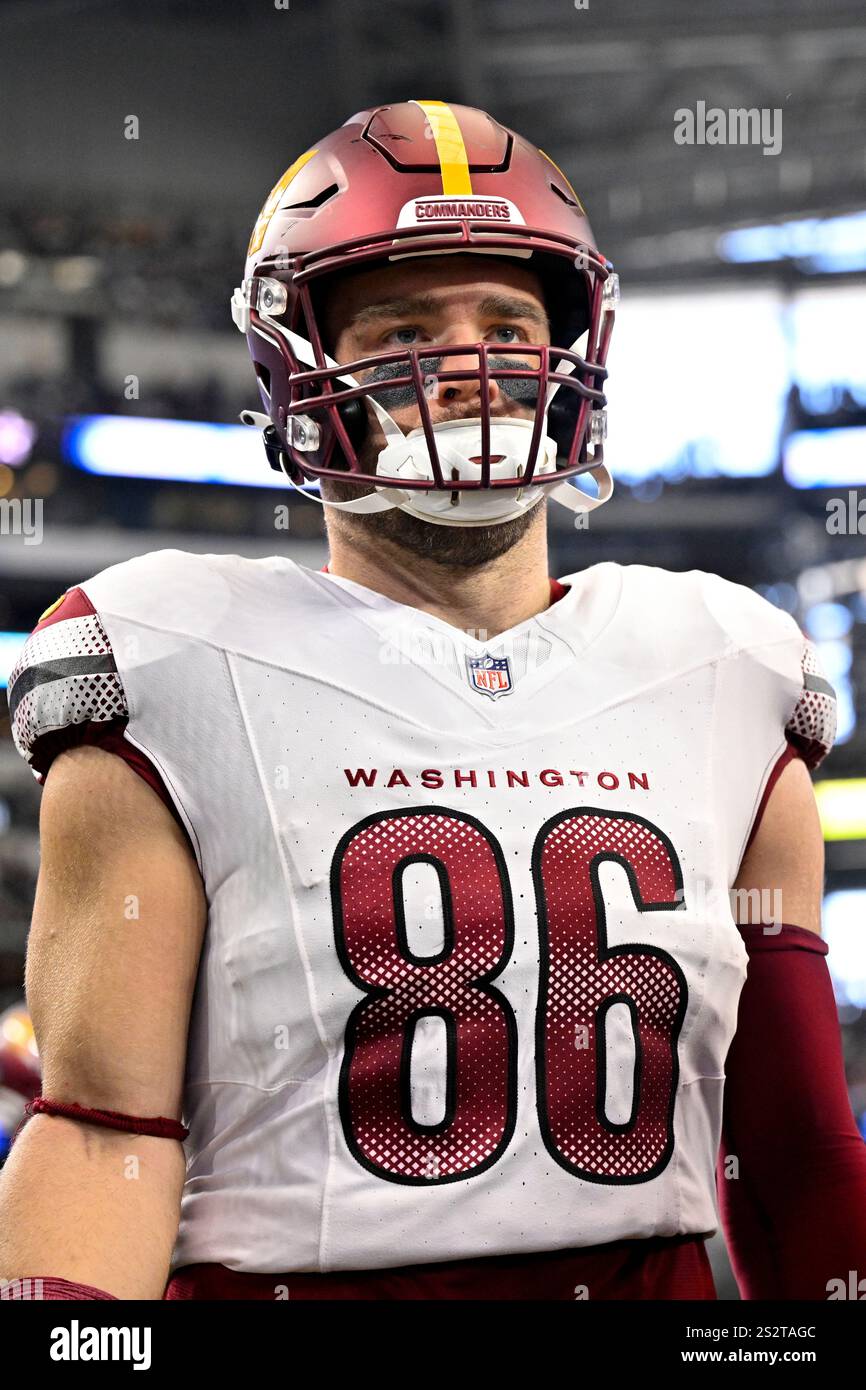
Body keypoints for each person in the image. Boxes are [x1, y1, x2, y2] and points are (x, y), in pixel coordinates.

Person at [1, 101, 863, 1302]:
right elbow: (103, 1133)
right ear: (300, 378)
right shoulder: (168, 660)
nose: (467, 363)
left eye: (507, 322)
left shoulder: (725, 666)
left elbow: (791, 1151)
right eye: (402, 325)